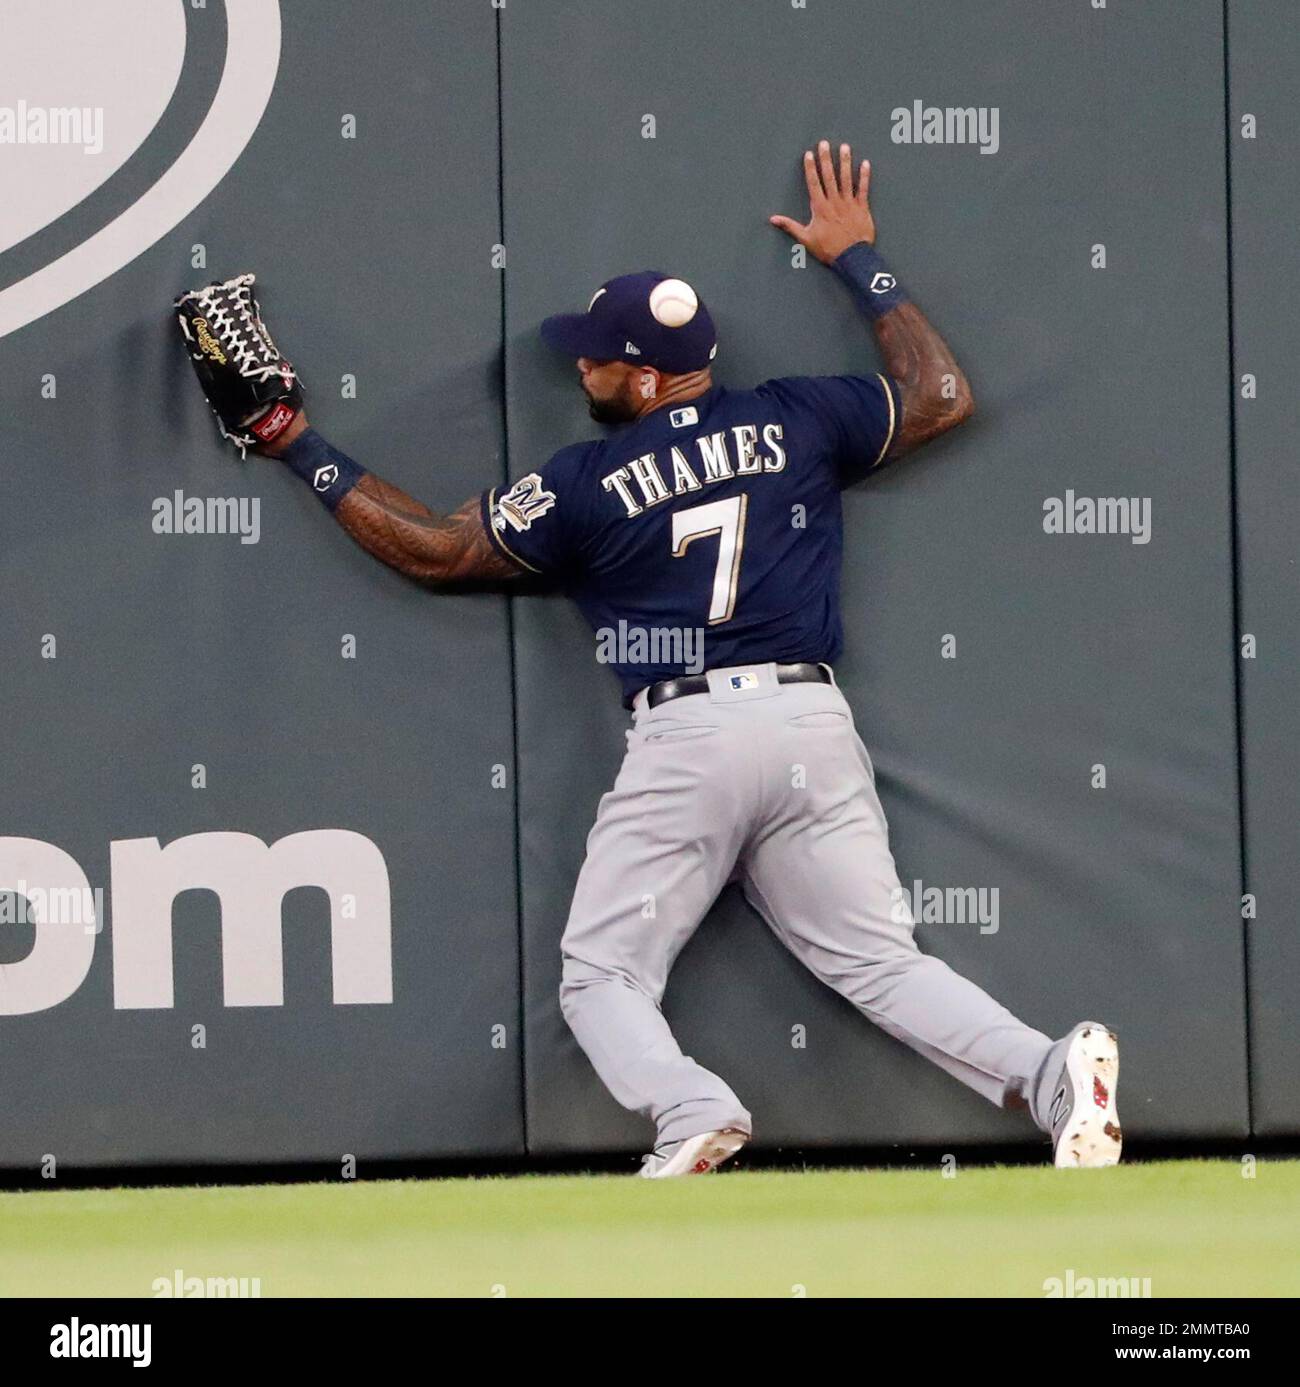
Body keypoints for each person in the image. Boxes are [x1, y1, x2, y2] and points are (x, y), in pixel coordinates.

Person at [176, 140, 1121, 1178]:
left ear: (641, 372)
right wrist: (861, 261)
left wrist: (294, 439)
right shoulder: (795, 417)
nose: (578, 367)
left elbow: (438, 551)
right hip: (810, 724)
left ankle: (690, 1108)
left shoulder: (587, 480)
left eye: (592, 356)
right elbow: (938, 394)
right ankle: (1047, 1075)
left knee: (600, 972)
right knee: (878, 960)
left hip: (692, 731)